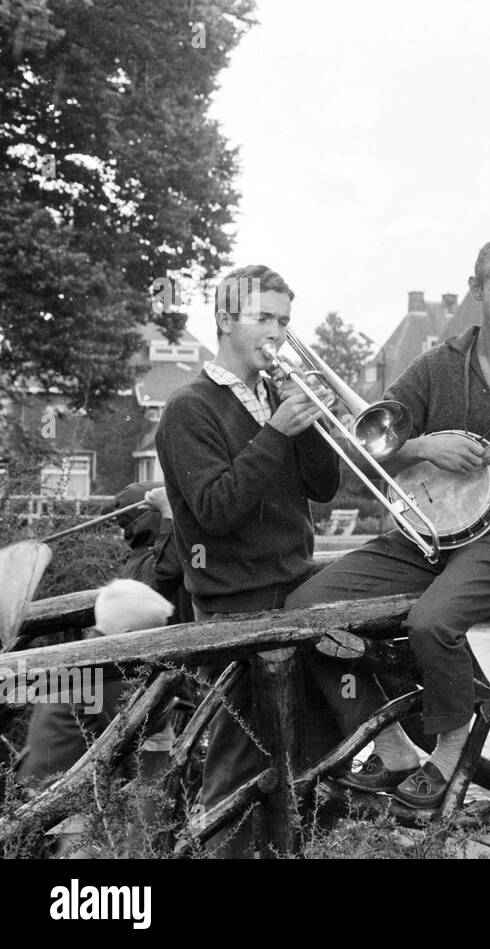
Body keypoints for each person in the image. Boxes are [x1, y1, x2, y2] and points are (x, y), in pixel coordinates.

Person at [285, 231, 490, 809]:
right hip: (425, 534)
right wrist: (426, 446)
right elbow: (374, 446)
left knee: (433, 623)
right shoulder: (435, 366)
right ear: (477, 290)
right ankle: (392, 743)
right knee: (303, 611)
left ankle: (451, 749)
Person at [155, 263, 342, 856]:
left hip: (292, 590)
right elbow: (215, 509)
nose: (278, 333)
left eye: (285, 321)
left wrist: (308, 423)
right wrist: (277, 434)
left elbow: (325, 486)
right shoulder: (191, 407)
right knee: (240, 761)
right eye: (265, 318)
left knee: (307, 750)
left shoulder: (275, 396)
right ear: (226, 319)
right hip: (236, 603)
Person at [15, 482, 190, 789]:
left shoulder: (137, 564)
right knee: (149, 787)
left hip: (51, 783)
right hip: (59, 794)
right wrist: (169, 513)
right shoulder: (103, 671)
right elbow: (168, 571)